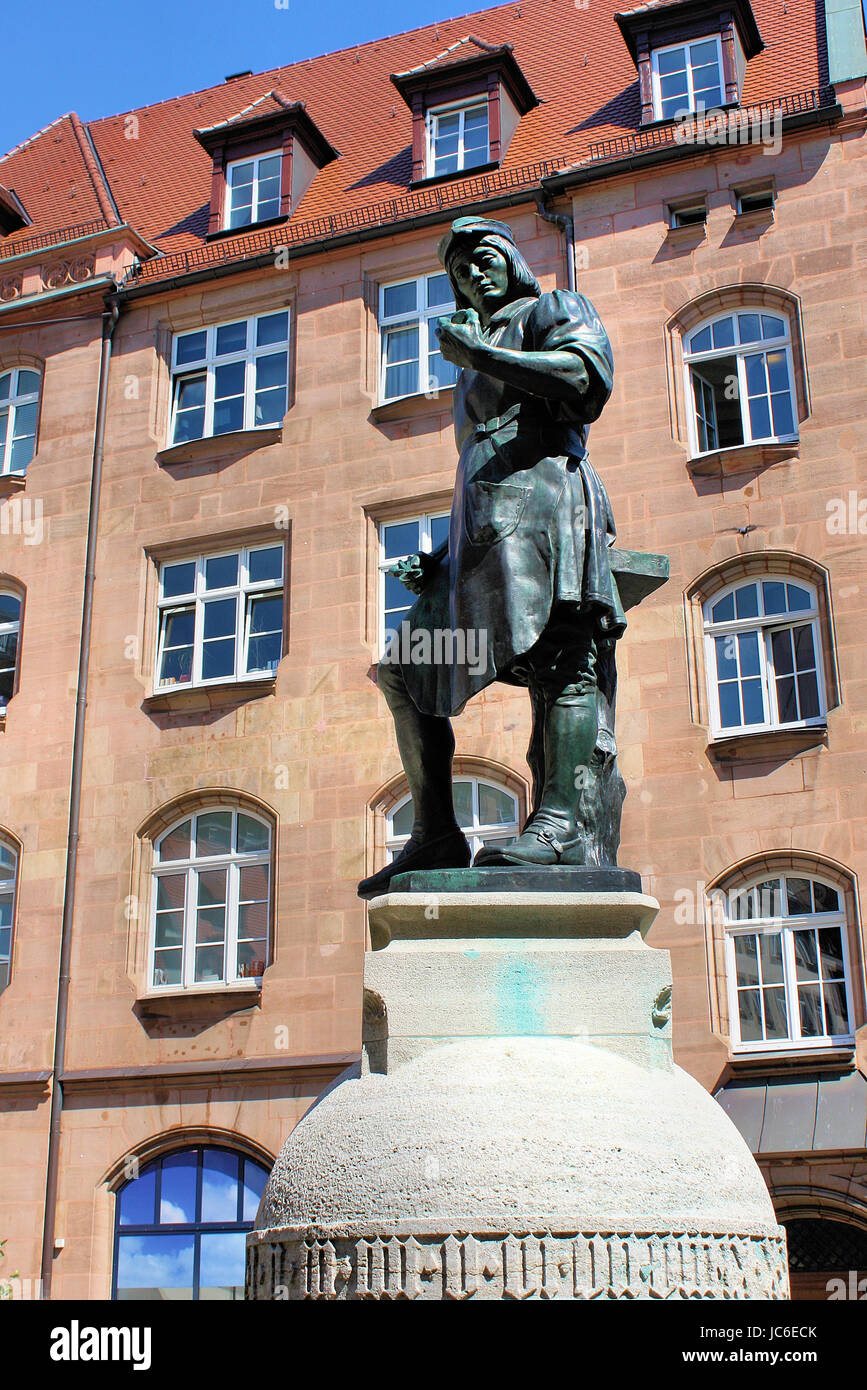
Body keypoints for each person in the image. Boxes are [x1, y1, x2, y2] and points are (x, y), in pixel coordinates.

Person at [358, 216, 626, 900]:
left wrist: (481, 357)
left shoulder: (551, 308)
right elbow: (483, 461)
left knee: (564, 657)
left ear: (509, 259)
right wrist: (441, 559)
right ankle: (437, 832)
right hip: (482, 528)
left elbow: (582, 379)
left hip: (546, 508)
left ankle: (561, 822)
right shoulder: (474, 355)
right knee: (403, 670)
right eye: (458, 271)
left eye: (482, 259)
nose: (472, 274)